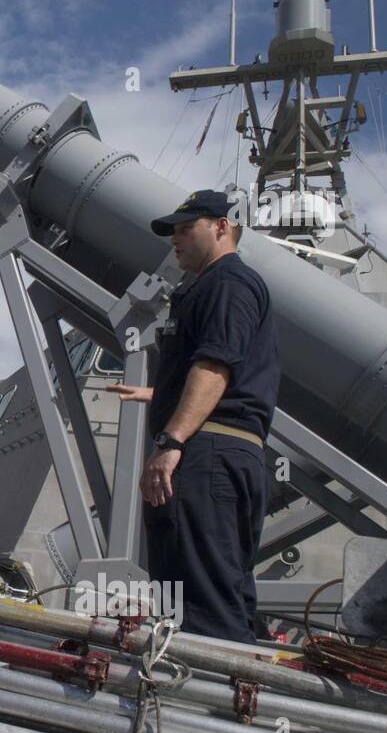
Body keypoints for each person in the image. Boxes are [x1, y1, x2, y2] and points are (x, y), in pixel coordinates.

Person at [107, 189, 280, 644]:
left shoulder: (225, 283)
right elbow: (226, 373)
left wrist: (170, 442)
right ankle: (231, 698)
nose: (175, 240)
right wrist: (158, 393)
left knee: (197, 604)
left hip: (206, 457)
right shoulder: (222, 285)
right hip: (226, 453)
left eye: (187, 228)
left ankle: (202, 703)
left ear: (221, 227)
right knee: (222, 592)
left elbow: (216, 366)